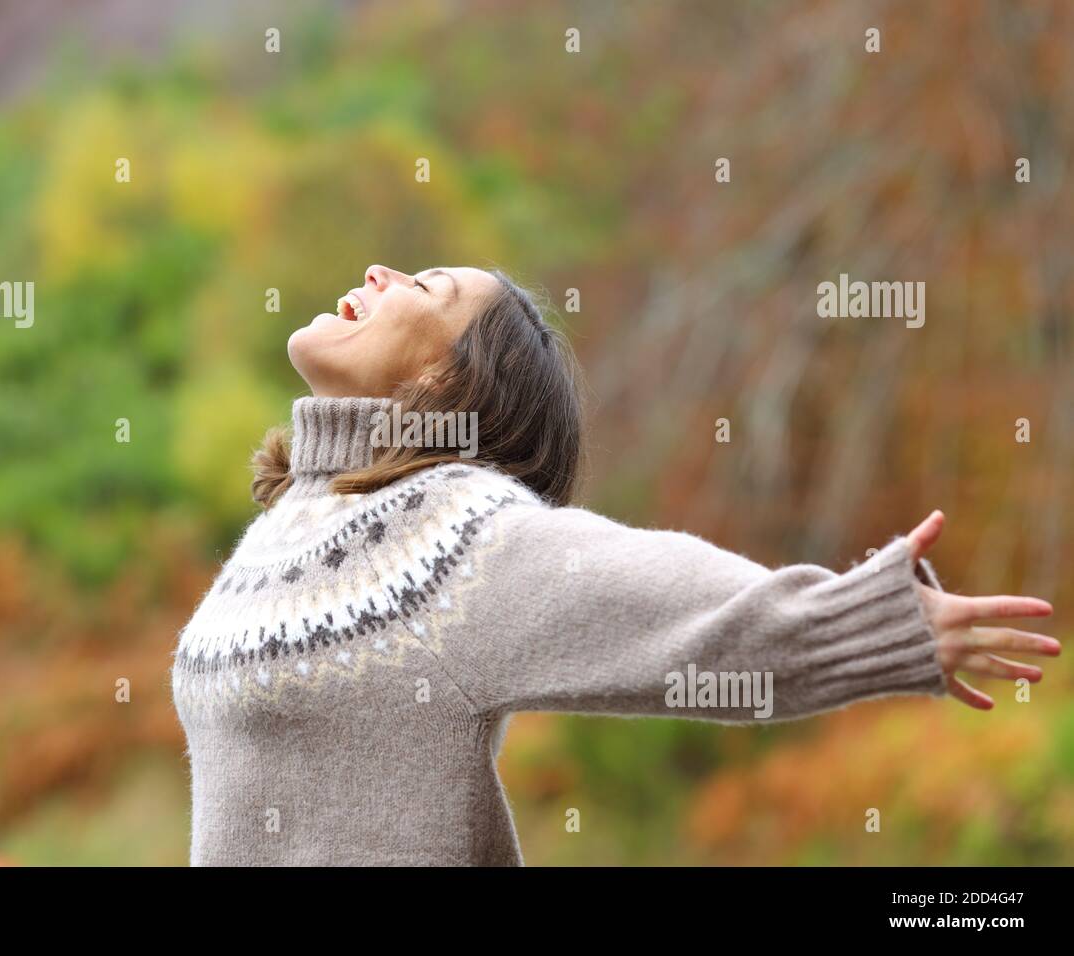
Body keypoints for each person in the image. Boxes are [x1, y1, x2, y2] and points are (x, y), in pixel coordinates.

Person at [171, 264, 1059, 865]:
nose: (378, 274)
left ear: (446, 383)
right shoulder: (290, 522)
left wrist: (877, 623)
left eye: (426, 287)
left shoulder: (450, 537)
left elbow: (680, 611)